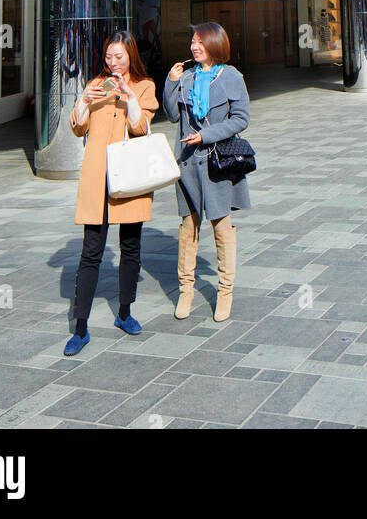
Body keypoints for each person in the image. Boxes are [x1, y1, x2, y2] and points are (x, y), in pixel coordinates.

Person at [63, 31, 159, 357]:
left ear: (131, 55)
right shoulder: (97, 84)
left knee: (130, 248)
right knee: (91, 252)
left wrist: (130, 96)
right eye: (108, 56)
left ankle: (125, 313)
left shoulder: (144, 86)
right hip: (97, 178)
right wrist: (82, 101)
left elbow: (141, 127)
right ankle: (80, 327)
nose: (112, 62)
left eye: (118, 56)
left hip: (129, 179)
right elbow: (78, 128)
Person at [164, 23, 250, 322]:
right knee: (188, 227)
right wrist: (171, 81)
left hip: (217, 162)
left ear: (215, 44)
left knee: (222, 226)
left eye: (200, 41)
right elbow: (173, 115)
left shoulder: (231, 77)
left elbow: (241, 119)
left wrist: (208, 135)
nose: (194, 46)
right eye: (192, 40)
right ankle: (185, 290)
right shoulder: (186, 76)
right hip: (188, 161)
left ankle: (225, 291)